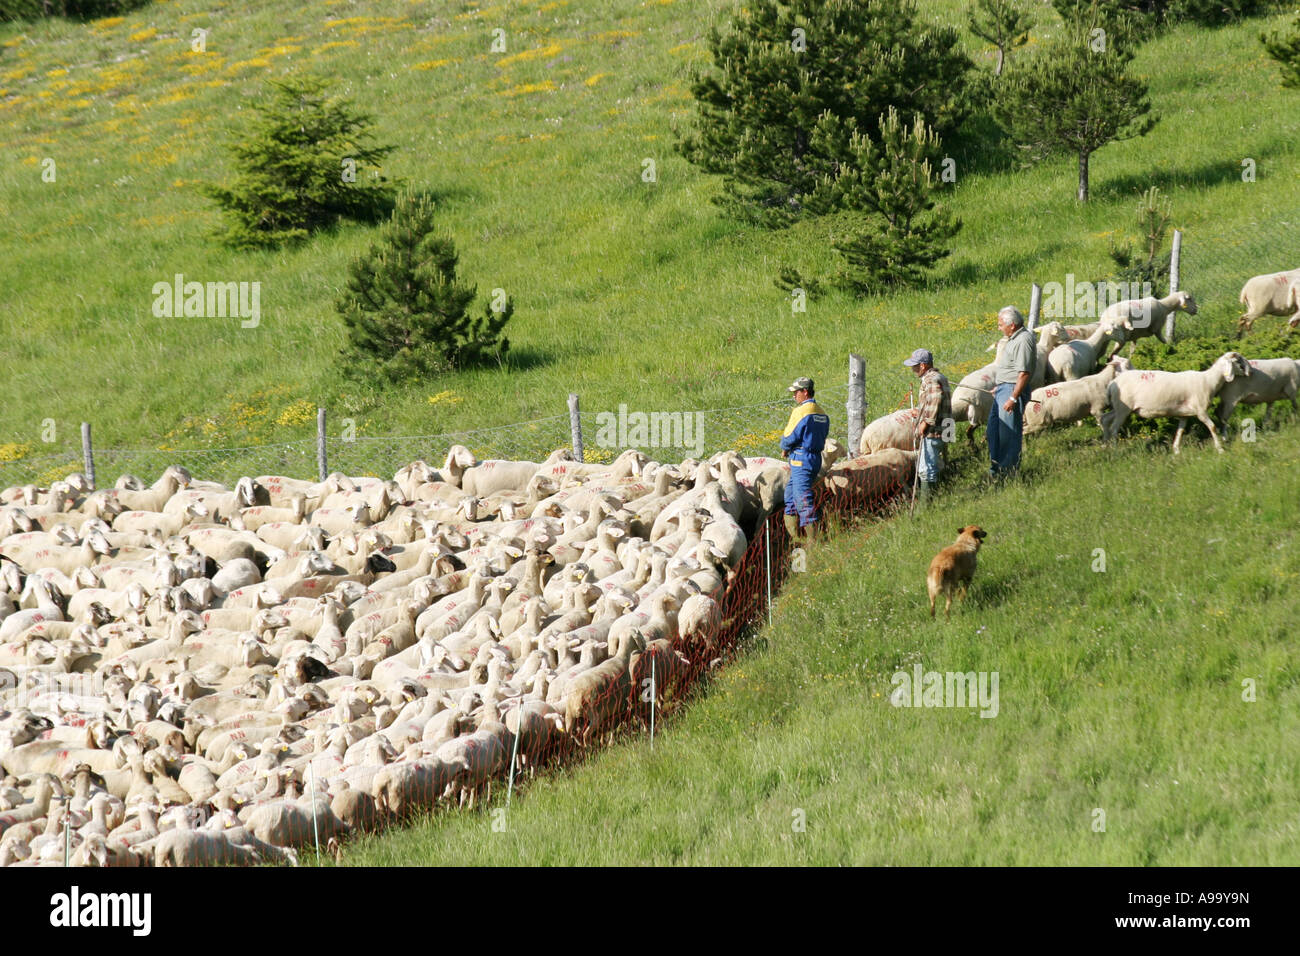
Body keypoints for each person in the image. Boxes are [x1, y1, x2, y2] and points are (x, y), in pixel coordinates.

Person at [779, 376, 830, 539]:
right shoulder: (822, 412)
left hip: (800, 458)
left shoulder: (800, 411)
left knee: (802, 499)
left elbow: (789, 436)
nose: (794, 396)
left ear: (805, 392)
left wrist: (785, 448)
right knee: (790, 496)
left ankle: (812, 541)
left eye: (796, 392)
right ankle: (796, 537)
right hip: (815, 458)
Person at [989, 305, 1035, 479]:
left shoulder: (1023, 340)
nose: (999, 328)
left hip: (1011, 391)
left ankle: (1008, 473)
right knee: (994, 431)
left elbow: (1024, 373)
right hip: (1003, 389)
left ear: (1012, 325)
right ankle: (996, 468)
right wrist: (999, 386)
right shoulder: (1014, 339)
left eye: (1001, 324)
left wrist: (1013, 397)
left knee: (1008, 433)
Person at [903, 348, 951, 504]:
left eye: (914, 366)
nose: (912, 369)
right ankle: (939, 496)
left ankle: (926, 506)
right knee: (936, 462)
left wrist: (925, 422)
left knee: (926, 468)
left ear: (923, 366)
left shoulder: (930, 380)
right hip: (945, 427)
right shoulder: (940, 376)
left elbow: (935, 398)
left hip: (934, 430)